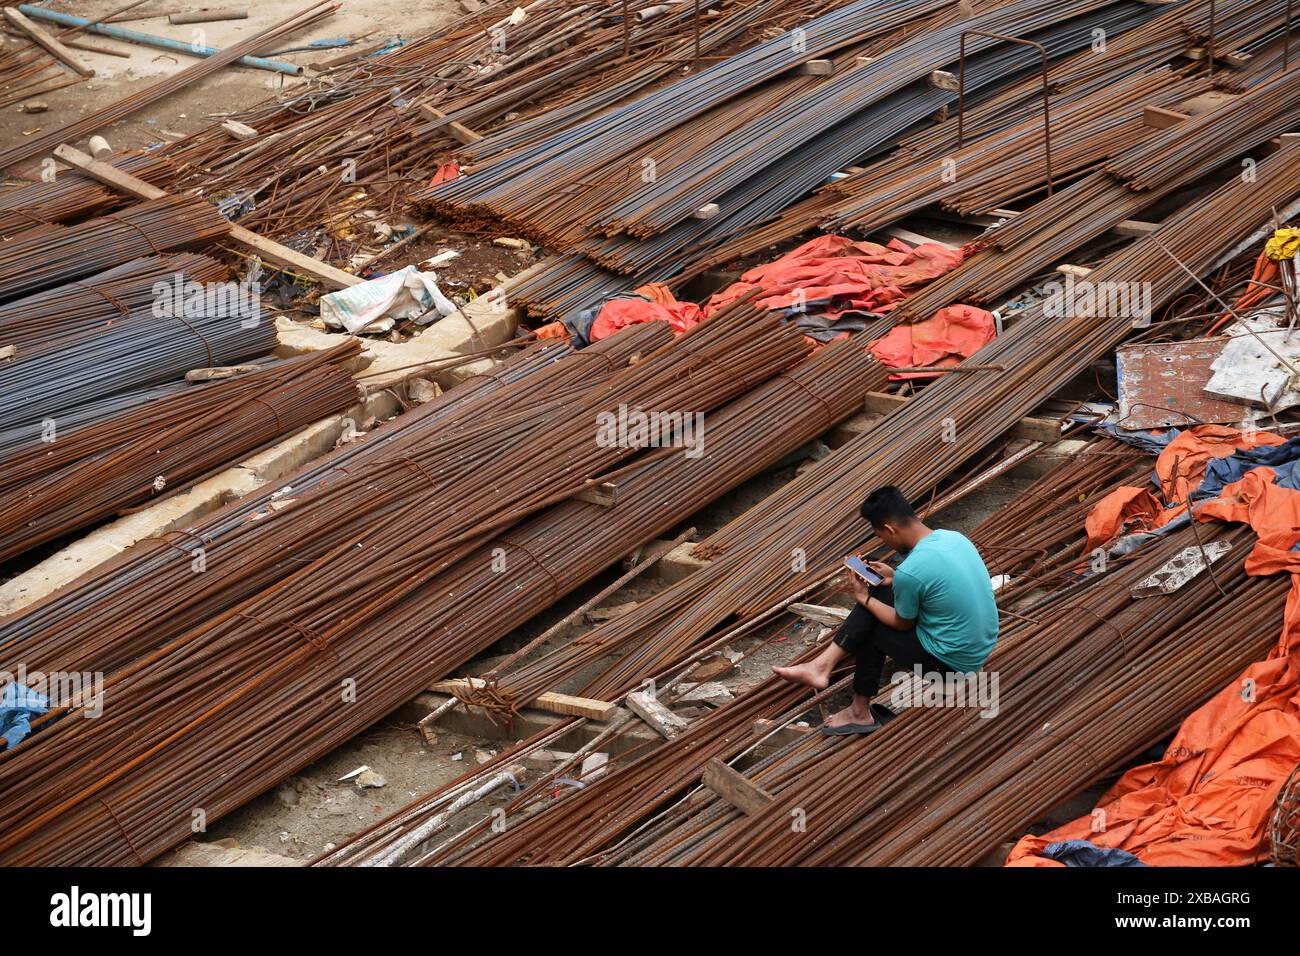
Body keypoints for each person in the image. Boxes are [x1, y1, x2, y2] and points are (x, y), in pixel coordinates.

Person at [773, 485, 998, 734]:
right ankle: (821, 667)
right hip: (979, 649)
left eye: (881, 536)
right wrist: (895, 576)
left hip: (951, 667)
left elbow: (902, 623)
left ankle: (857, 709)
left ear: (890, 528)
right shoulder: (953, 538)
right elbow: (934, 582)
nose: (884, 542)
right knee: (881, 591)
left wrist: (862, 597)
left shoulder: (911, 572)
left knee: (871, 621)